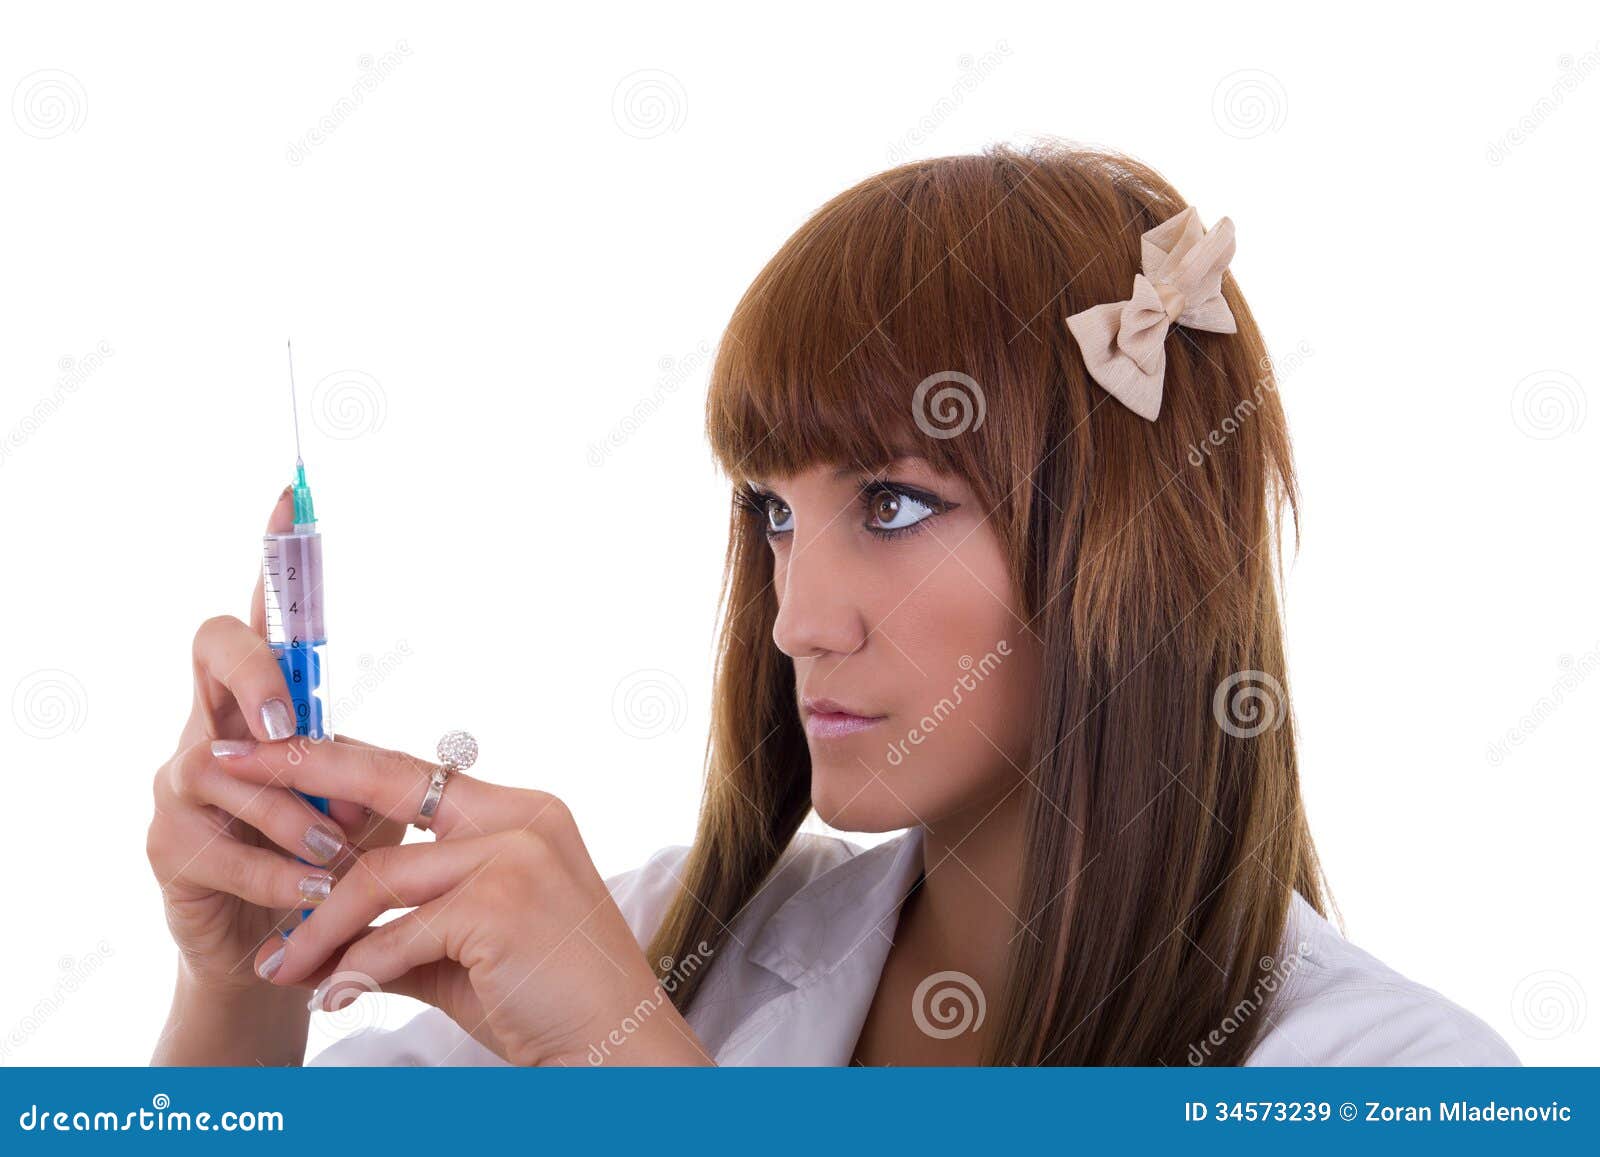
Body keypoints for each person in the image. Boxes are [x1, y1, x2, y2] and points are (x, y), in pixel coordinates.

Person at [147, 141, 1518, 1067]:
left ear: (1131, 543)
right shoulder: (680, 934)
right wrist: (238, 982)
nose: (800, 615)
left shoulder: (1385, 1073)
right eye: (774, 512)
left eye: (897, 503)